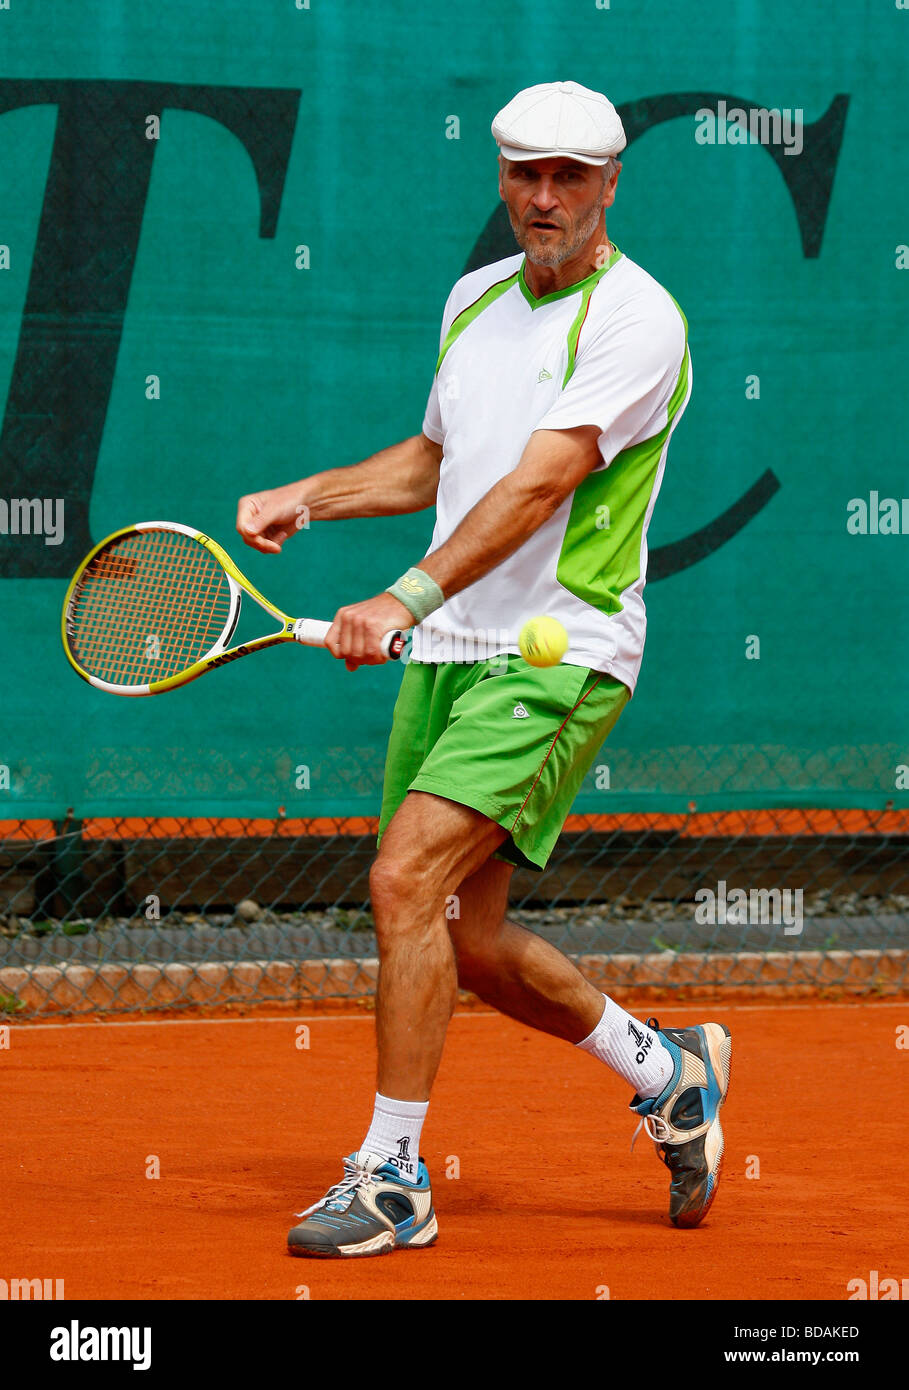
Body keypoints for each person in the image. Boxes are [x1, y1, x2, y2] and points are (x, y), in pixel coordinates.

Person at [236, 80, 731, 1259]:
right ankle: (669, 1072)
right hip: (455, 654)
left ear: (612, 183)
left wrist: (405, 593)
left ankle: (393, 1177)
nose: (545, 196)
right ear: (502, 177)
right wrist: (312, 497)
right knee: (465, 936)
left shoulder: (638, 318)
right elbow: (441, 460)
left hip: (562, 653)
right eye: (525, 174)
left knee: (404, 878)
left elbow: (542, 480)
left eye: (570, 176)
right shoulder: (474, 300)